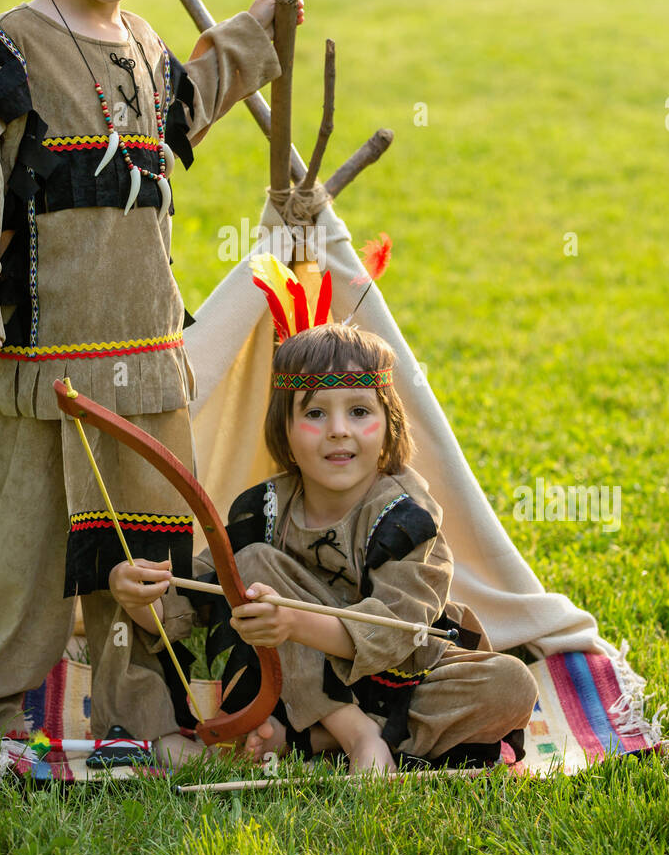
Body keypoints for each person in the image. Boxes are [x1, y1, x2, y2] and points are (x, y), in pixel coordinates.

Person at [0, 0, 303, 766]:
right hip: (49, 360)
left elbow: (186, 106)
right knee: (27, 548)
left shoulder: (141, 44)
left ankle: (146, 706)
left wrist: (256, 37)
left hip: (145, 351)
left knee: (148, 551)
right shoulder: (8, 49)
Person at [188, 319, 539, 774]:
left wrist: (294, 621)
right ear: (285, 431)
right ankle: (358, 735)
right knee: (252, 562)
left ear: (388, 426)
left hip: (396, 678)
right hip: (295, 681)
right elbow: (201, 593)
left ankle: (310, 739)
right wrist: (147, 592)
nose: (338, 430)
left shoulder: (407, 518)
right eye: (315, 413)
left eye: (358, 411)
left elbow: (397, 632)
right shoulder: (263, 508)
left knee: (511, 685)